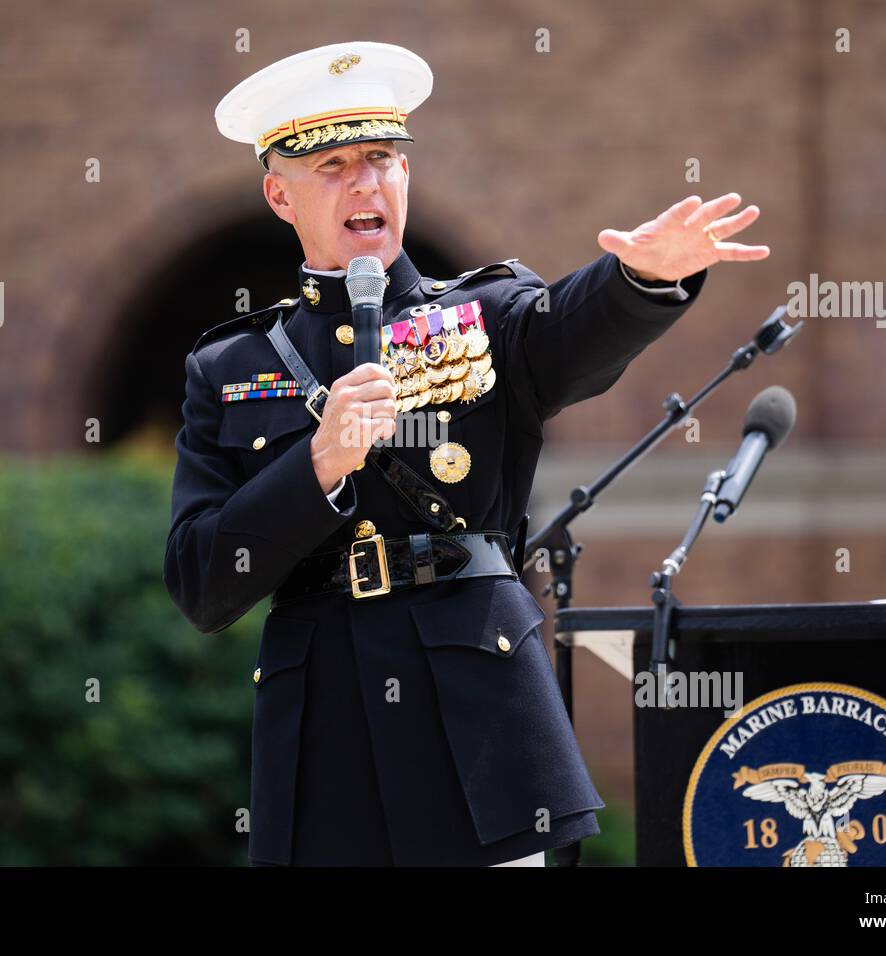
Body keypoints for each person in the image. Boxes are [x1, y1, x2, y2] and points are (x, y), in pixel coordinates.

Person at [164, 41, 769, 866]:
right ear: (280, 194)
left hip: (479, 722)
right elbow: (202, 582)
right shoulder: (230, 366)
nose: (365, 182)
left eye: (381, 158)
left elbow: (567, 333)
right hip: (324, 742)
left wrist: (638, 282)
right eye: (333, 165)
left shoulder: (485, 316)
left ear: (405, 177)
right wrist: (318, 465)